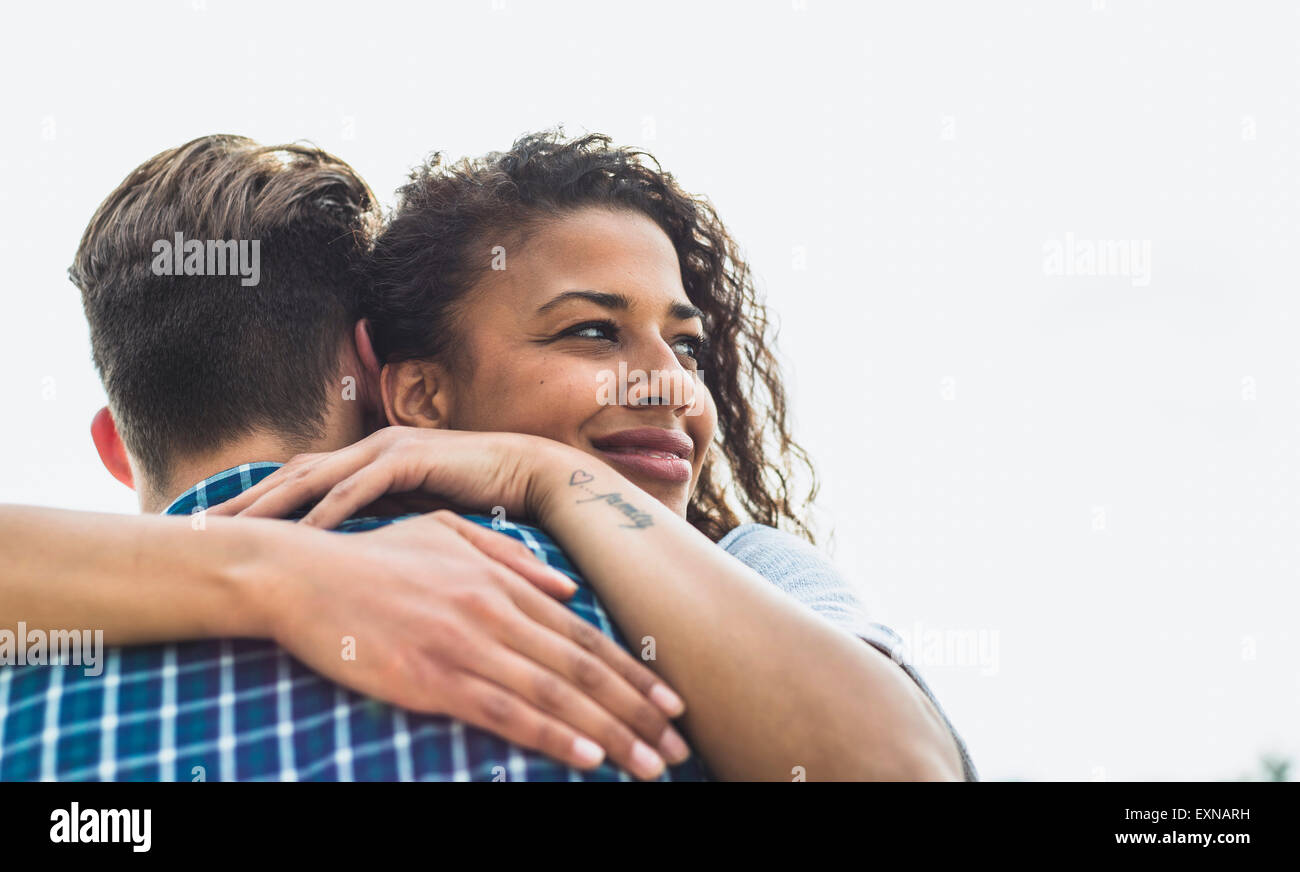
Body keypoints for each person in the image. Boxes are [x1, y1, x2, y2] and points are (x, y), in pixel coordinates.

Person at [214, 130, 978, 781]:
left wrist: (549, 475)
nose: (670, 385)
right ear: (419, 395)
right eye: (593, 332)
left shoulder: (755, 567)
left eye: (687, 346)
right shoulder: (333, 563)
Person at [0, 134, 698, 781]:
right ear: (377, 376)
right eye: (590, 331)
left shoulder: (24, 664)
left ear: (115, 447)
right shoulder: (604, 590)